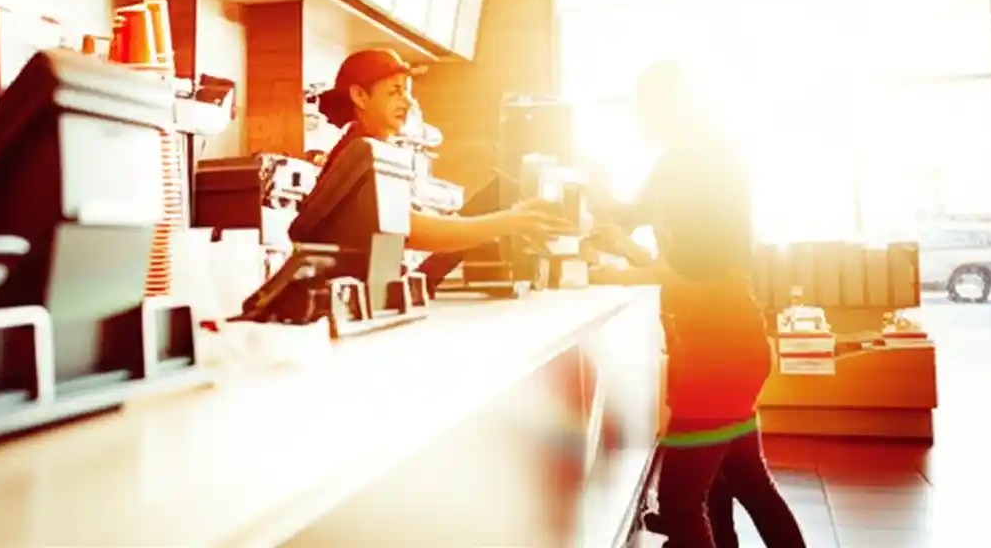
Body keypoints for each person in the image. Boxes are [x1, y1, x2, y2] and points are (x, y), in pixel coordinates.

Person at [589, 61, 805, 548]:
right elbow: (629, 216)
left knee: (683, 502)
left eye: (648, 108)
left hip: (719, 351)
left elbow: (695, 265)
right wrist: (596, 190)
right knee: (746, 484)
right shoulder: (675, 163)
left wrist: (624, 261)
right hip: (727, 345)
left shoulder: (709, 164)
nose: (642, 120)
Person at [315, 48, 562, 252]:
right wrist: (509, 221)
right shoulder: (361, 154)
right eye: (395, 91)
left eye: (408, 92)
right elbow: (410, 229)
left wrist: (508, 220)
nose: (408, 102)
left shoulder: (374, 150)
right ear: (360, 96)